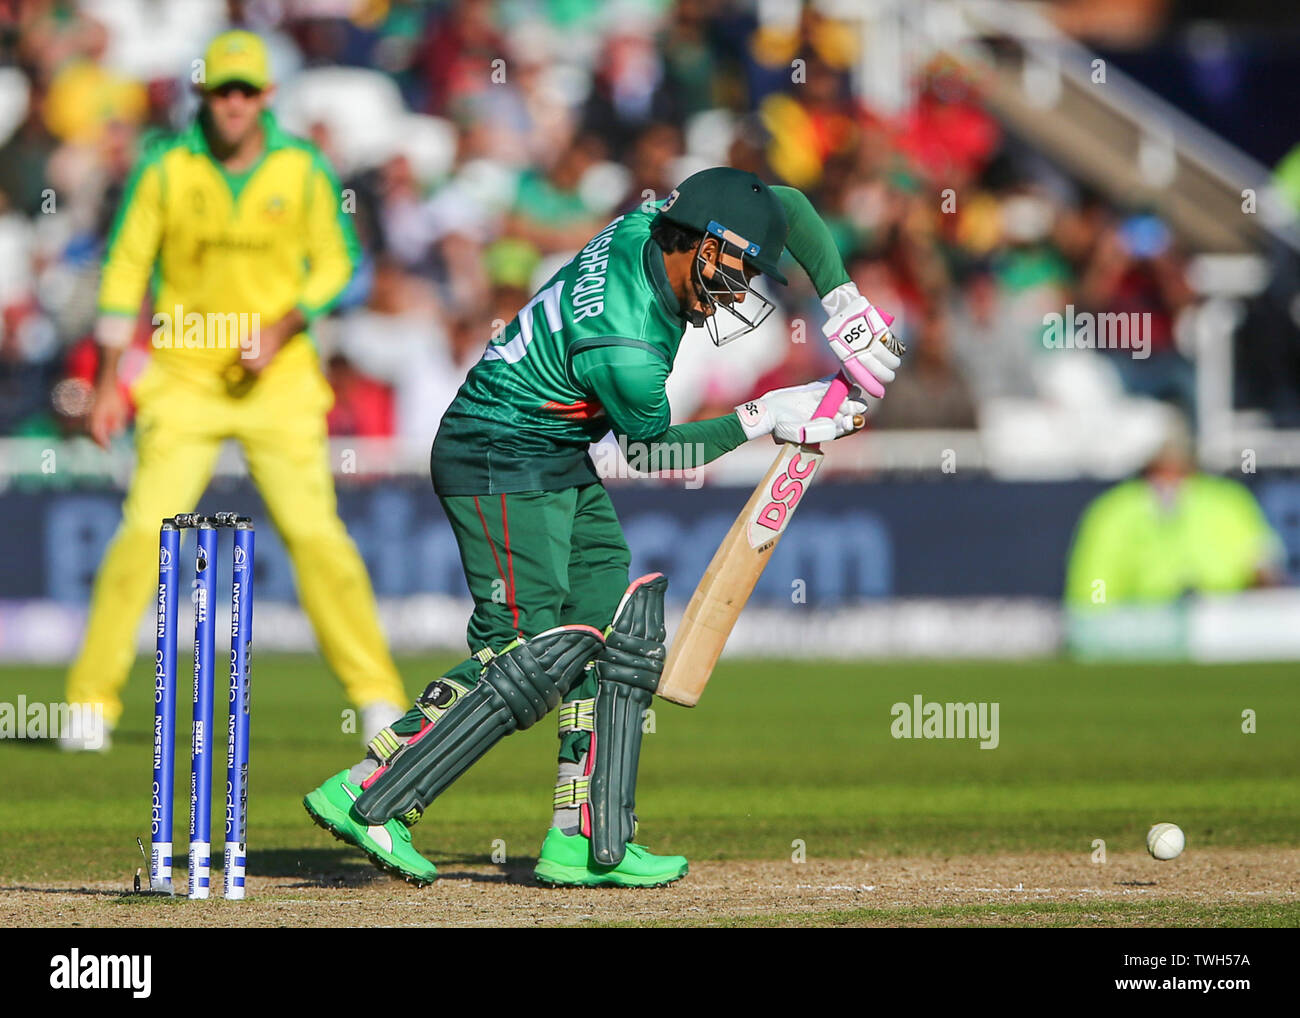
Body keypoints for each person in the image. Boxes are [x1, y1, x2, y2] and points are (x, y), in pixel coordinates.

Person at [303, 166, 904, 887]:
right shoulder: (626, 339)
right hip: (497, 451)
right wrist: (765, 416)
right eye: (735, 270)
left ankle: (583, 837)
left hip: (552, 449)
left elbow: (790, 205)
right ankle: (370, 791)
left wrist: (844, 302)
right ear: (695, 244)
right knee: (522, 652)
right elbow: (649, 450)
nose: (741, 291)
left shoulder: (653, 221)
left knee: (605, 627)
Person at [61, 31, 407, 750]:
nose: (235, 106)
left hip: (278, 383)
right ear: (205, 95)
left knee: (319, 539)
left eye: (247, 92)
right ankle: (88, 704)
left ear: (267, 97)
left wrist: (285, 325)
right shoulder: (166, 168)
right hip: (183, 378)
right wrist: (105, 381)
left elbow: (341, 264)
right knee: (141, 535)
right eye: (223, 92)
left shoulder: (303, 168)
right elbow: (125, 271)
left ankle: (378, 698)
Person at [1065, 418, 1283, 608]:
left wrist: (1261, 604)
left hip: (1223, 616)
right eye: (1163, 466)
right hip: (1144, 620)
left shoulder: (1229, 501)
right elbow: (1095, 585)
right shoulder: (1114, 510)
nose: (1170, 476)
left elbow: (1262, 564)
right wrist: (1104, 620)